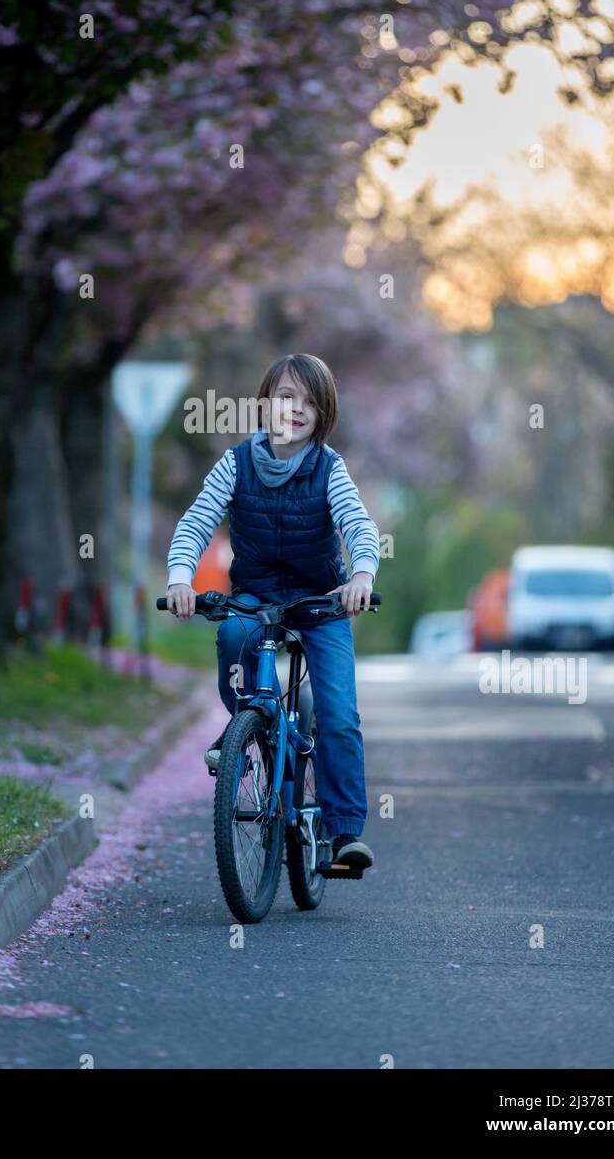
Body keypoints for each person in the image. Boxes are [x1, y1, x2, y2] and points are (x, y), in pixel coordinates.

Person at [165, 353, 380, 871]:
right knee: (233, 636)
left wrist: (362, 576)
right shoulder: (235, 464)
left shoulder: (329, 468)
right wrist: (179, 579)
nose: (296, 410)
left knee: (338, 714)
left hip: (321, 601)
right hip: (256, 597)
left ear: (322, 415)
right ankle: (247, 723)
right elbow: (197, 523)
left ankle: (343, 831)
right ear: (265, 402)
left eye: (310, 402)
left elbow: (357, 524)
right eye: (286, 397)